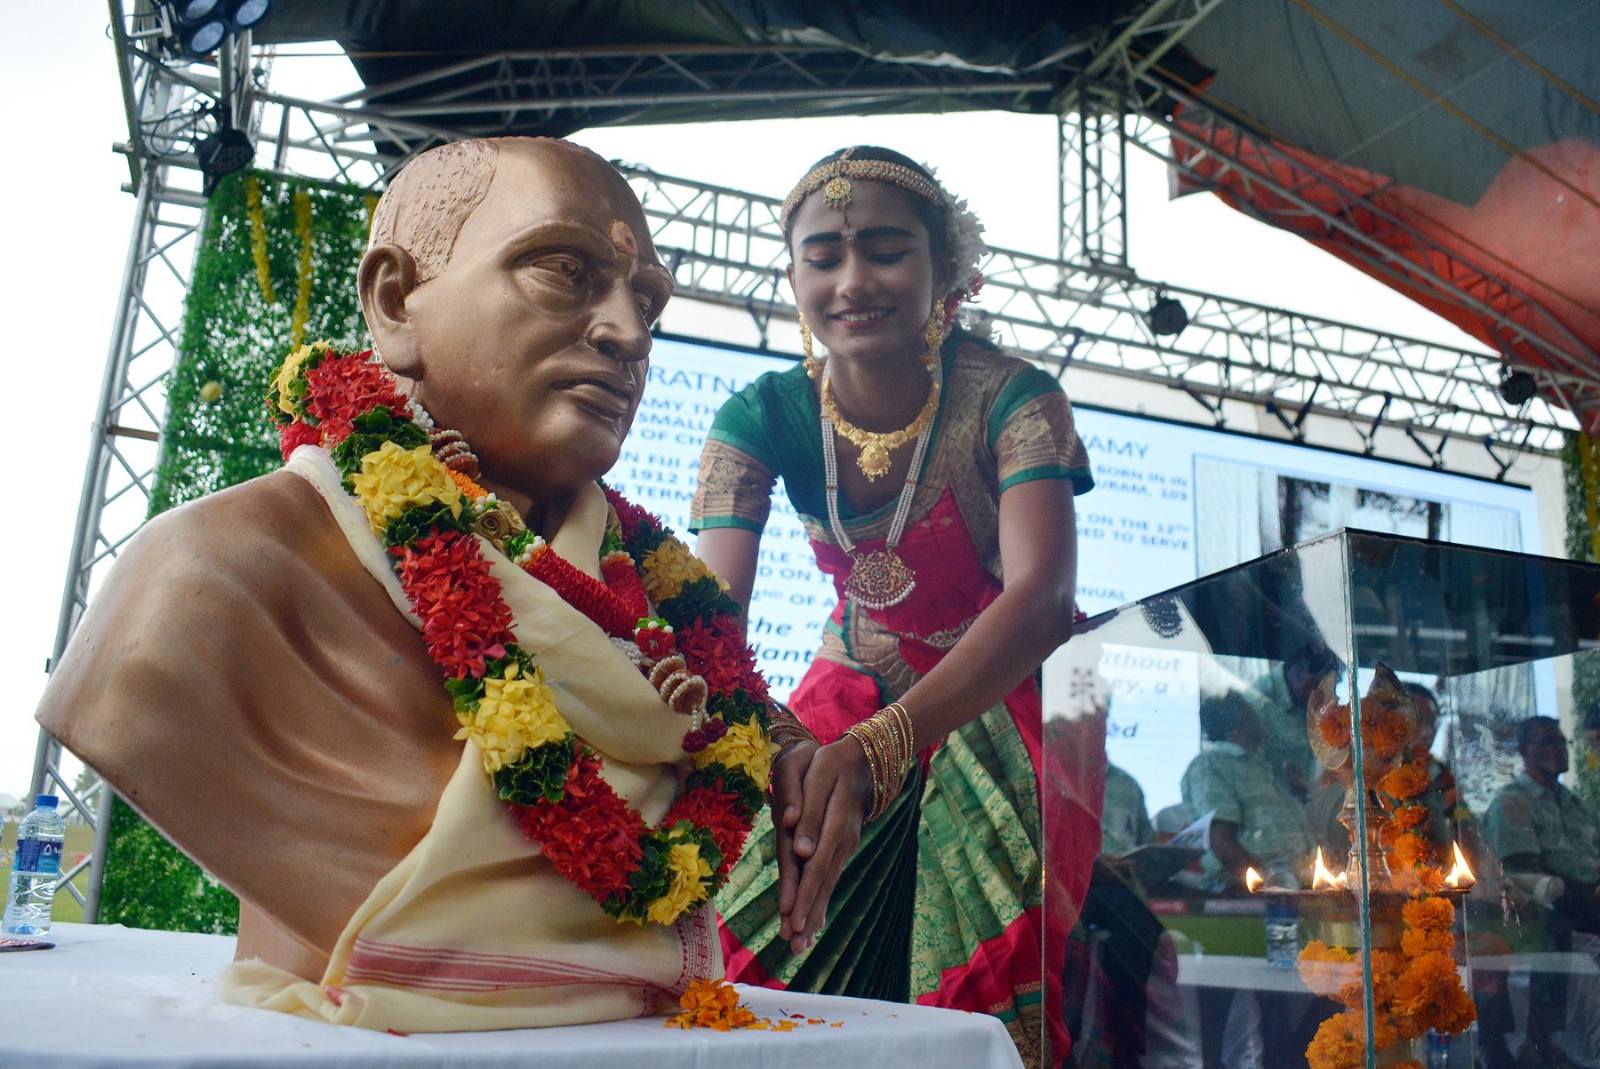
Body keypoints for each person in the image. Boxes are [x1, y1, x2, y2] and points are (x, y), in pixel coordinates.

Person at [36, 138, 756, 1031]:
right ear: (394, 301)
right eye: (564, 270)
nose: (629, 332)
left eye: (644, 298)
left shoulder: (662, 626)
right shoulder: (206, 580)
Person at [690, 145, 1101, 1066]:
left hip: (1004, 688)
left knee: (979, 979)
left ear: (945, 269)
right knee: (758, 903)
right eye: (822, 257)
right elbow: (708, 624)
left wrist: (888, 744)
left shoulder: (1014, 398)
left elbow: (1045, 599)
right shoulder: (759, 416)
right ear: (792, 273)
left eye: (885, 250)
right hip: (852, 673)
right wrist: (784, 742)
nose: (852, 281)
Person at [1483, 715, 1600, 1067]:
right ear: (1524, 750)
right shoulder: (1512, 802)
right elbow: (1522, 875)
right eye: (1547, 741)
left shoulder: (1573, 802)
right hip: (1559, 920)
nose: (1558, 749)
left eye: (1561, 741)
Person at [1180, 691, 1314, 891]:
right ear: (1235, 724)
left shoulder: (1263, 765)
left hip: (1296, 889)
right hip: (1248, 894)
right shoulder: (1211, 764)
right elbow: (1221, 841)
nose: (1262, 716)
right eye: (1252, 710)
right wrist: (1268, 887)